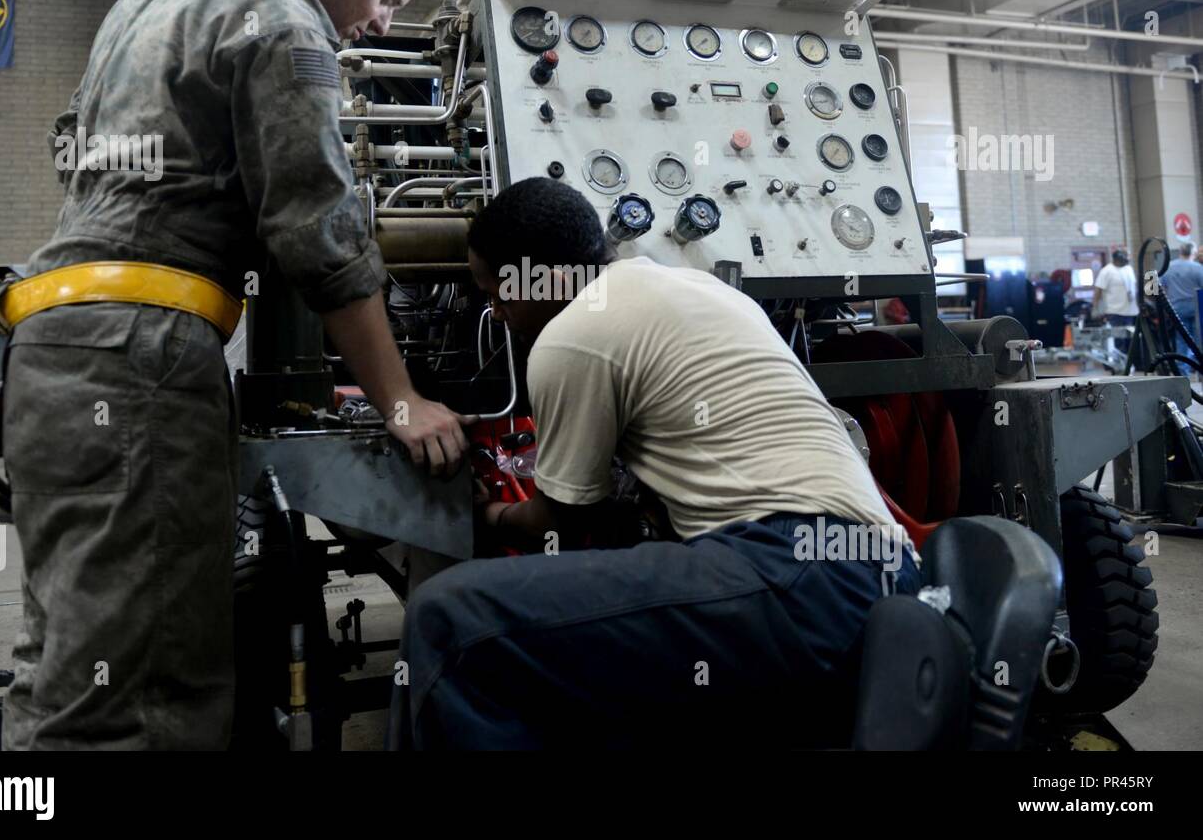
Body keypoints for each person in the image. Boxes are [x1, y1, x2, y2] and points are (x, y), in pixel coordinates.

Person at [0, 0, 469, 750]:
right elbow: (321, 238)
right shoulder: (286, 27)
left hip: (50, 339)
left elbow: (74, 154)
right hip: (139, 358)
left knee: (69, 655)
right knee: (150, 691)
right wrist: (400, 402)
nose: (386, 22)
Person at [386, 178, 921, 750]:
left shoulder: (571, 336)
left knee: (448, 620)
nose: (497, 310)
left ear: (532, 278)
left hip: (798, 575)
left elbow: (557, 527)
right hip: (884, 578)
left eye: (496, 291)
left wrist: (483, 513)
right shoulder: (702, 290)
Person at [1161, 241, 1203, 364]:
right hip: (1197, 308)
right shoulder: (1198, 268)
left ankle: (1183, 371)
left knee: (1181, 340)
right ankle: (1200, 369)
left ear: (1180, 252)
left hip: (1176, 308)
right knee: (1199, 340)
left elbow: (1155, 288)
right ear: (1194, 253)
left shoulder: (1168, 267)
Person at [1093, 249, 1138, 328]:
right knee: (1120, 339)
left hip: (1131, 311)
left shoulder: (1128, 269)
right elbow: (1098, 291)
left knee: (1131, 339)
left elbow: (1133, 287)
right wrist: (1095, 308)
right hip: (1115, 313)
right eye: (1124, 261)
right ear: (1117, 260)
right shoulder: (1106, 271)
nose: (1126, 263)